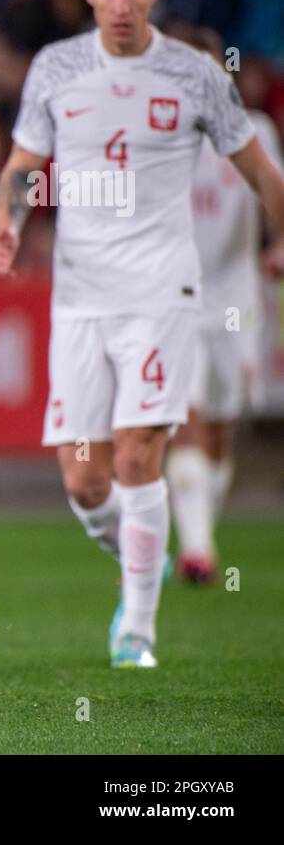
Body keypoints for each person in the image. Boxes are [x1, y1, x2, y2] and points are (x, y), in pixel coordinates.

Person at [0, 0, 284, 668]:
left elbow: (260, 169)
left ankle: (138, 631)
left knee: (138, 452)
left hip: (162, 289)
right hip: (81, 294)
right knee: (85, 477)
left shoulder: (195, 75)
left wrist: (280, 237)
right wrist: (8, 225)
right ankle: (141, 552)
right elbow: (23, 165)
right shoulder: (55, 68)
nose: (120, 5)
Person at [167, 31, 284, 584]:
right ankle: (196, 549)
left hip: (236, 299)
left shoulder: (251, 132)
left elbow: (272, 188)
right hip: (174, 298)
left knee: (220, 428)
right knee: (184, 420)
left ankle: (199, 532)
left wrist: (279, 242)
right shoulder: (158, 138)